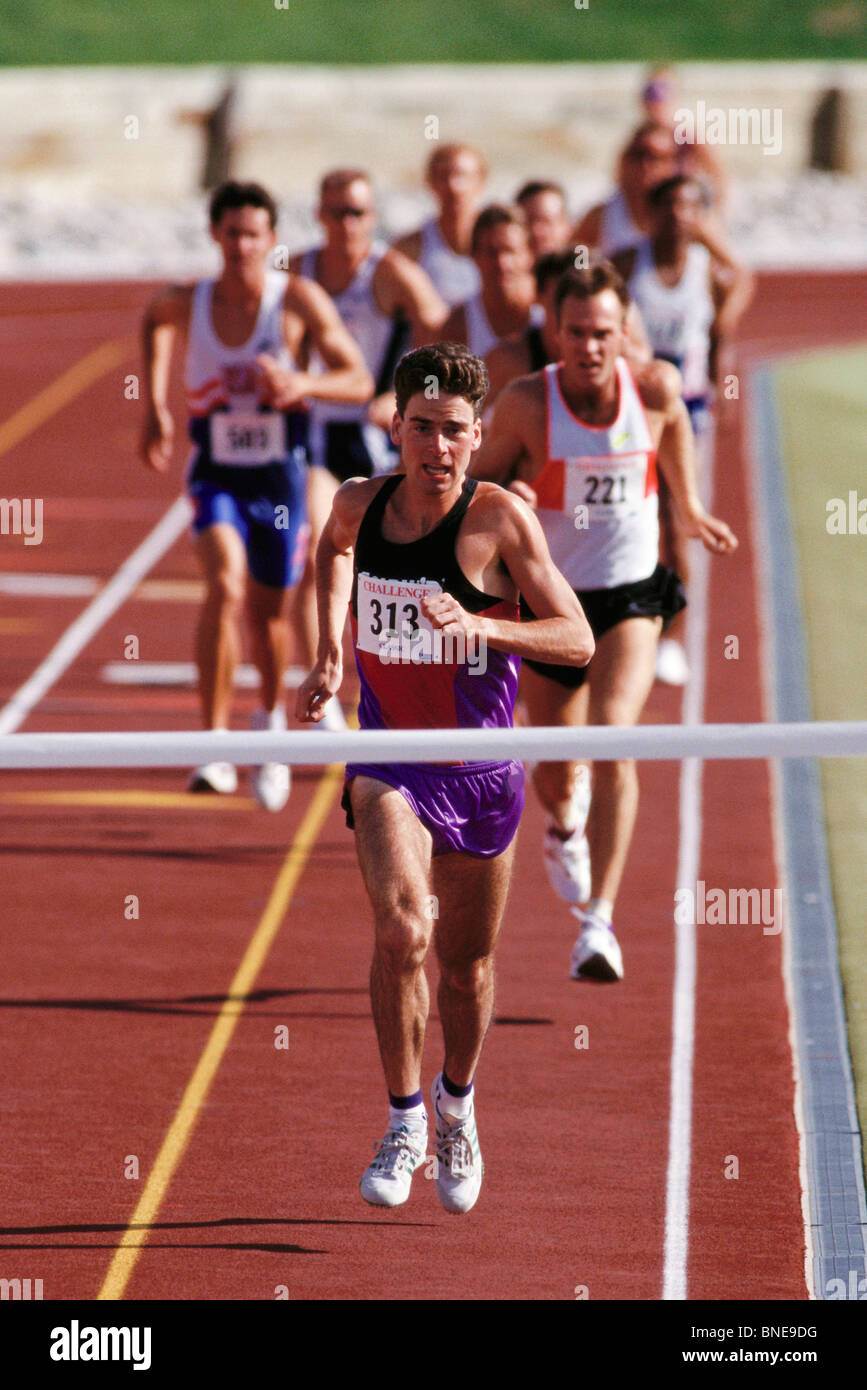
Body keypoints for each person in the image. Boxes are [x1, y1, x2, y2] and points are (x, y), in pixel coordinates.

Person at [296, 343, 594, 1211]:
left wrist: (486, 628)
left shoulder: (497, 520)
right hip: (390, 756)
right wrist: (327, 650)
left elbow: (574, 639)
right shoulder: (362, 502)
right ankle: (402, 1119)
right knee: (401, 933)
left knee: (464, 967)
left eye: (453, 433)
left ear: (476, 437)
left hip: (482, 767)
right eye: (420, 428)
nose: (436, 448)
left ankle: (455, 1103)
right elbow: (332, 548)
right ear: (394, 427)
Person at [471, 263, 737, 982]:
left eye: (603, 334)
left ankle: (599, 922)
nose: (590, 347)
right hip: (554, 604)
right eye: (577, 333)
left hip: (630, 597)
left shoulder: (650, 388)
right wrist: (513, 492)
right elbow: (479, 492)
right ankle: (562, 825)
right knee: (558, 770)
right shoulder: (528, 403)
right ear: (555, 332)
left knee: (615, 734)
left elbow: (675, 422)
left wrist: (686, 507)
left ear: (626, 334)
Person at [140, 179, 373, 808]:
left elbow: (358, 379)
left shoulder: (296, 301)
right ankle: (214, 742)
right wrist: (157, 406)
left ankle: (268, 727)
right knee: (224, 581)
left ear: (272, 240)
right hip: (216, 473)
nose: (242, 245)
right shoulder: (191, 301)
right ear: (215, 236)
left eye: (254, 234)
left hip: (279, 480)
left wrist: (301, 383)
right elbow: (154, 318)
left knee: (270, 614)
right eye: (231, 233)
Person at [288, 169, 447, 691]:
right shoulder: (299, 272)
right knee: (320, 551)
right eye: (336, 212)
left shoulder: (389, 271)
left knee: (395, 569)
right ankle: (324, 673)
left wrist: (400, 394)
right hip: (314, 437)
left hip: (377, 440)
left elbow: (440, 326)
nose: (346, 224)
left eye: (357, 213)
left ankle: (400, 681)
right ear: (320, 215)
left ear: (372, 218)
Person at [613, 174, 753, 685]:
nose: (679, 215)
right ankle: (627, 622)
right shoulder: (629, 266)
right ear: (649, 213)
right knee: (624, 512)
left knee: (675, 525)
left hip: (685, 409)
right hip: (630, 405)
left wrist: (723, 387)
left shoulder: (706, 272)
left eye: (690, 206)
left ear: (701, 215)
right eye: (669, 205)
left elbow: (721, 333)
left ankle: (673, 637)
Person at [441, 204, 542, 359]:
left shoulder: (548, 314)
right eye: (491, 252)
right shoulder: (457, 325)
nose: (502, 263)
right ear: (474, 256)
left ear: (529, 255)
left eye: (510, 251)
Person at [393, 143, 487, 307]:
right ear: (429, 183)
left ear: (481, 181)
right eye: (443, 176)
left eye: (462, 176)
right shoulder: (409, 249)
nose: (453, 186)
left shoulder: (503, 243)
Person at [515, 180, 572, 261]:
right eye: (528, 223)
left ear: (567, 227)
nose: (536, 232)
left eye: (546, 222)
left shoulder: (586, 269)